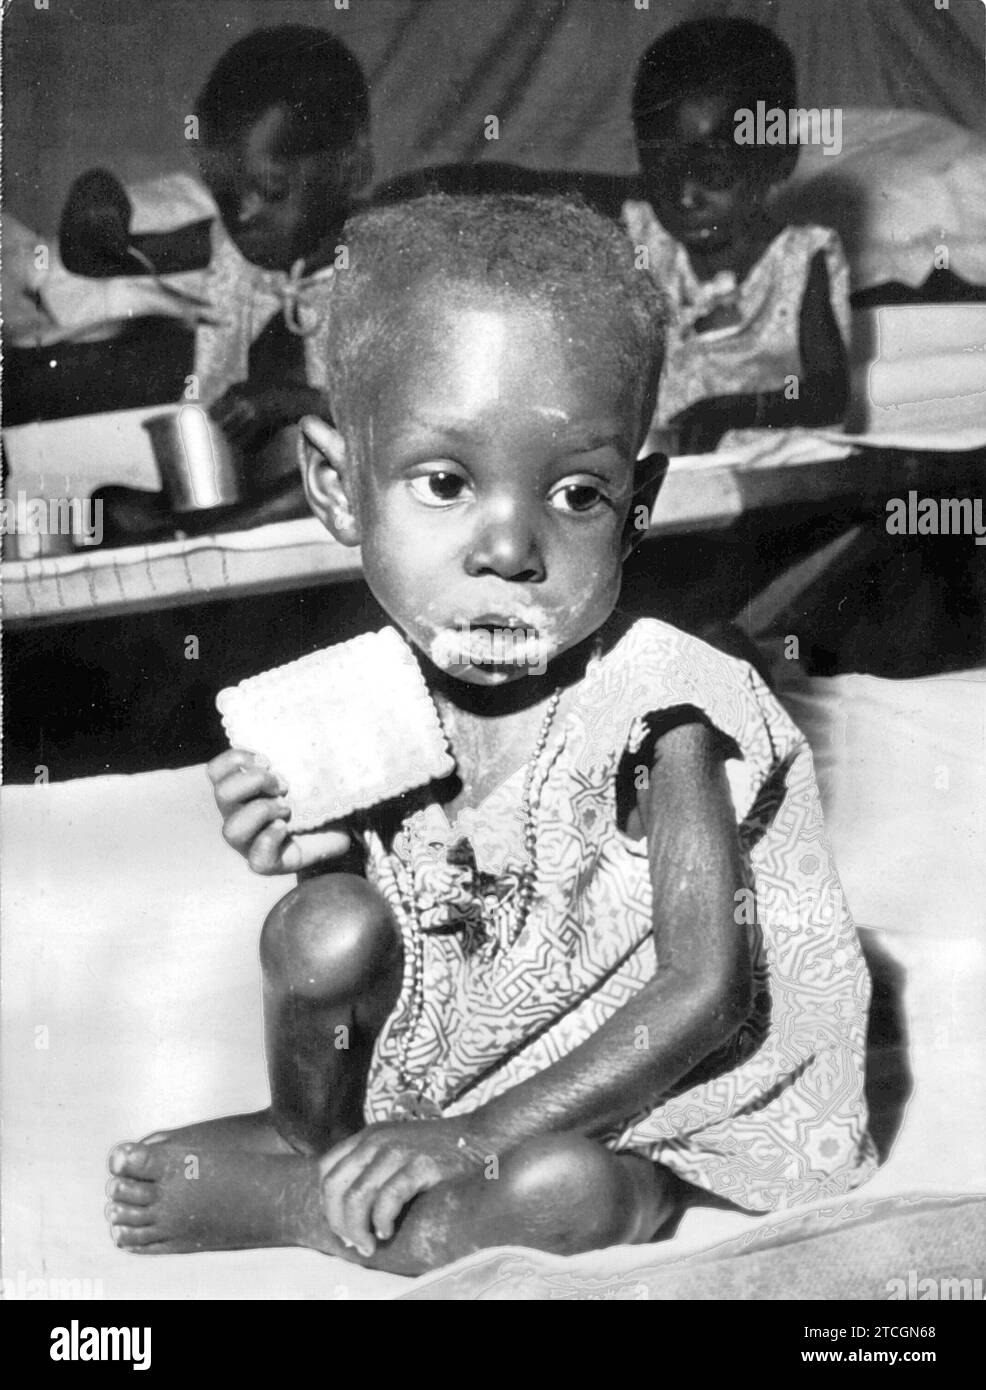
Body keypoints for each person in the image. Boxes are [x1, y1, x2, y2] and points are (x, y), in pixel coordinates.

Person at [105, 194, 875, 1276]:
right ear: (337, 487)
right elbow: (386, 915)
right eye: (445, 481)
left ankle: (305, 1206)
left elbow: (704, 991)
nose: (511, 545)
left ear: (637, 503)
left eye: (575, 493)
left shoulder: (663, 708)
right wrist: (296, 842)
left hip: (631, 1097)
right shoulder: (365, 694)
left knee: (573, 1193)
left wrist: (471, 1138)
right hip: (442, 1064)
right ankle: (312, 1144)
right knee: (319, 928)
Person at [60, 25, 372, 534]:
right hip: (240, 487)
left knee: (348, 479)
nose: (243, 214)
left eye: (271, 190)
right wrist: (95, 195)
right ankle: (222, 524)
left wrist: (292, 404)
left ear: (351, 167)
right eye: (224, 194)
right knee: (106, 506)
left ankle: (218, 530)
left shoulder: (385, 254)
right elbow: (91, 259)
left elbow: (408, 413)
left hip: (343, 491)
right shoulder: (228, 251)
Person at [623, 18, 850, 454]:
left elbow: (829, 395)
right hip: (669, 476)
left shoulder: (800, 260)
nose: (685, 196)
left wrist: (733, 412)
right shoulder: (646, 244)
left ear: (779, 158)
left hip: (769, 467)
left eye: (712, 173)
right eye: (660, 172)